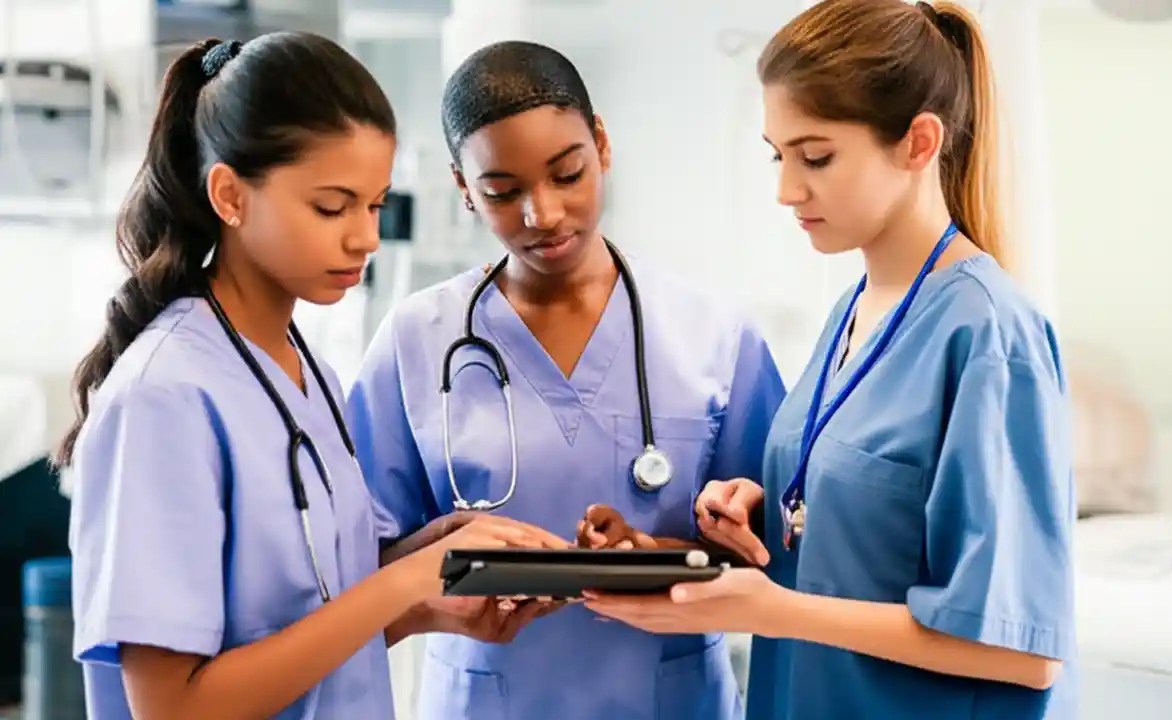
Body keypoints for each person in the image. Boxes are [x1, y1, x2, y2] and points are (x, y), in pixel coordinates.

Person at [583, 2, 1078, 719]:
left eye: (815, 157)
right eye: (777, 155)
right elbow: (859, 542)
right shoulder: (853, 312)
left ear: (918, 142)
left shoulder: (989, 334)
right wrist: (759, 508)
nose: (787, 190)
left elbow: (1024, 652)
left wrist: (778, 611)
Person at [56, 33, 564, 720]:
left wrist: (429, 600)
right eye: (332, 206)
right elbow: (173, 707)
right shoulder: (164, 397)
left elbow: (308, 627)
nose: (366, 238)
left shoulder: (308, 373)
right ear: (230, 196)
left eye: (375, 205)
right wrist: (405, 582)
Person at [345, 40, 786, 720]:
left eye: (567, 174)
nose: (542, 214)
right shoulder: (416, 341)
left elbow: (776, 546)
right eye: (503, 192)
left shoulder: (716, 335)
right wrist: (446, 553)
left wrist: (666, 551)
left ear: (601, 144)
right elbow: (354, 568)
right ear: (465, 190)